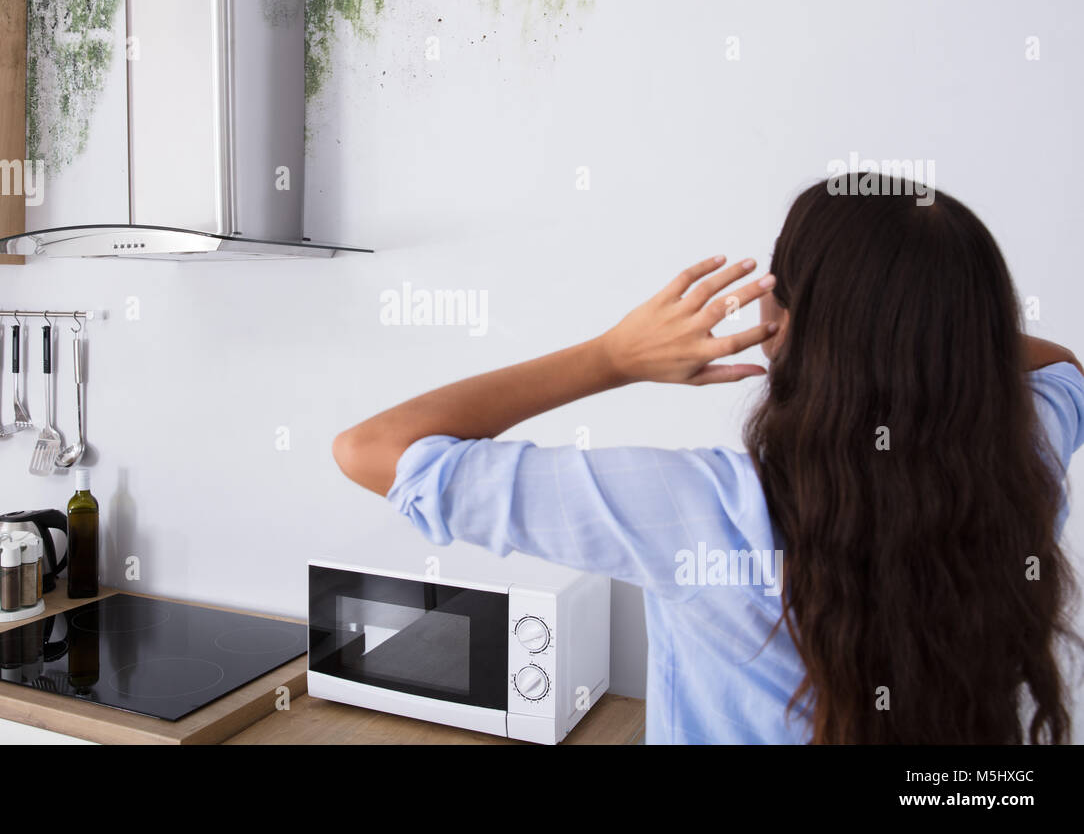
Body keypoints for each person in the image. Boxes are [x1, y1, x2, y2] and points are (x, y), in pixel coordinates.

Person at [333, 174, 1084, 744]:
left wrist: (611, 357)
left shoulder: (695, 511)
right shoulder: (1027, 469)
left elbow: (372, 450)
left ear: (778, 321)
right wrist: (924, 329)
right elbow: (1062, 369)